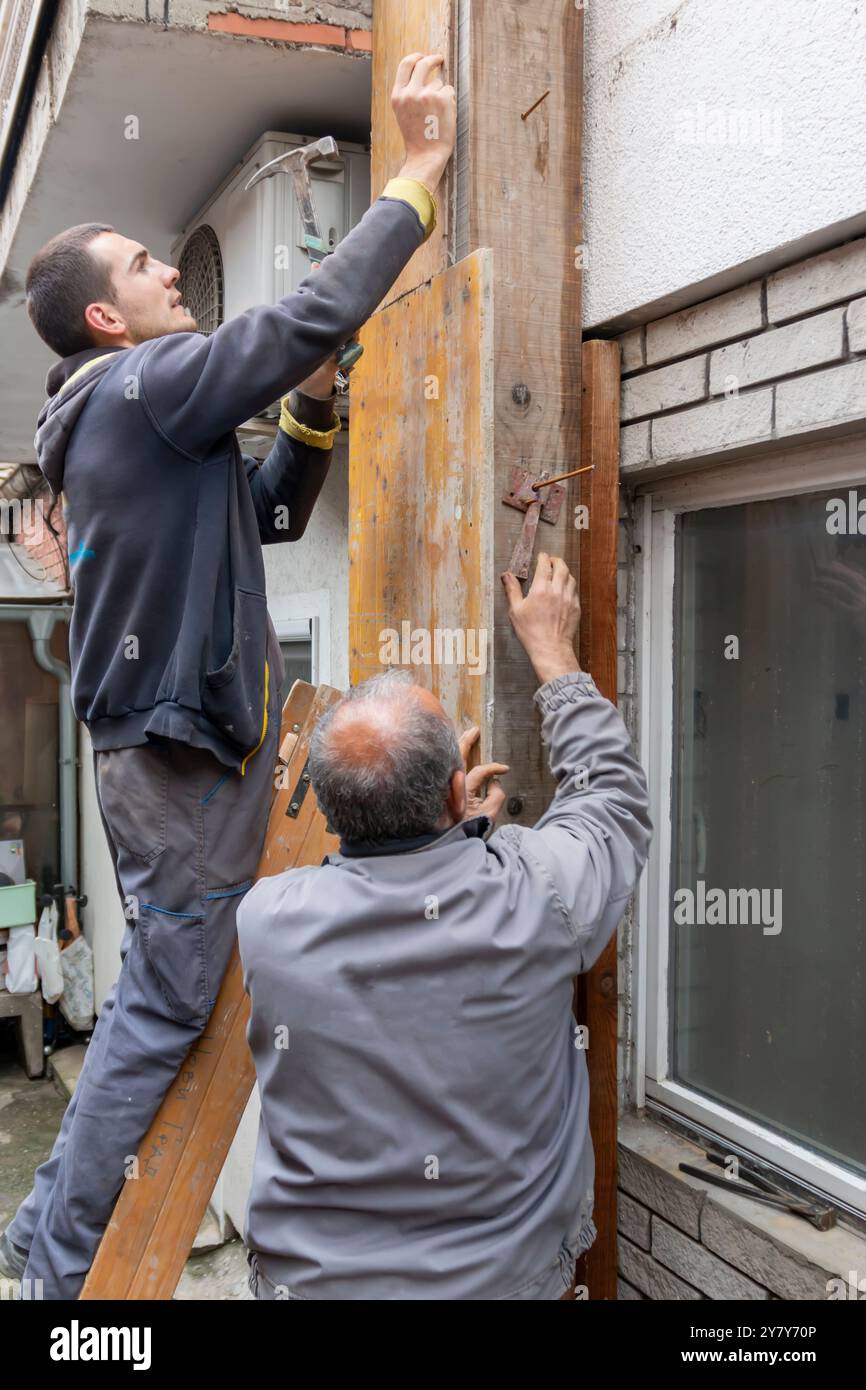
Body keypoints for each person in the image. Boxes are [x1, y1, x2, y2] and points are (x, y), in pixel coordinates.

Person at [0, 52, 457, 1301]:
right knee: (165, 1009)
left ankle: (41, 1227)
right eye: (144, 265)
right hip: (180, 762)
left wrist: (311, 401)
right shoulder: (140, 387)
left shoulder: (140, 421)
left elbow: (266, 515)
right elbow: (298, 317)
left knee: (162, 997)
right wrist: (416, 174)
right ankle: (57, 1275)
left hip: (175, 754)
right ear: (108, 320)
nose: (168, 270)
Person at [238, 552, 652, 1300]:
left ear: (329, 807)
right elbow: (612, 804)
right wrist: (555, 658)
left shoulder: (268, 919)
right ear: (460, 793)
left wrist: (447, 827)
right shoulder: (535, 895)